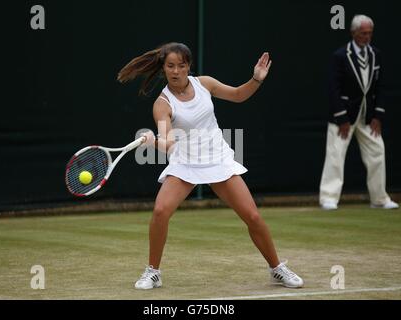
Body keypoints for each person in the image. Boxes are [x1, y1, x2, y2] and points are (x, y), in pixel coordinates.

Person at [117, 42, 303, 290]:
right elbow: (170, 143)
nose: (175, 71)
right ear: (163, 68)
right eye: (170, 66)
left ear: (188, 66)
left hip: (217, 158)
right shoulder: (162, 104)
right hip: (185, 162)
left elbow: (238, 95)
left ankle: (277, 268)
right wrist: (154, 141)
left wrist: (256, 79)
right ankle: (153, 272)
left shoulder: (204, 83)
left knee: (252, 216)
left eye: (181, 66)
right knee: (161, 211)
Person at [319, 15, 399, 211]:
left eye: (370, 33)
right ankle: (328, 198)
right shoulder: (340, 56)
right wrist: (342, 118)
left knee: (377, 152)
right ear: (354, 33)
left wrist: (378, 116)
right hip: (344, 117)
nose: (367, 37)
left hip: (367, 116)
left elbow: (379, 87)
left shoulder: (375, 54)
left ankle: (379, 199)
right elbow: (333, 88)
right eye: (363, 33)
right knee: (335, 155)